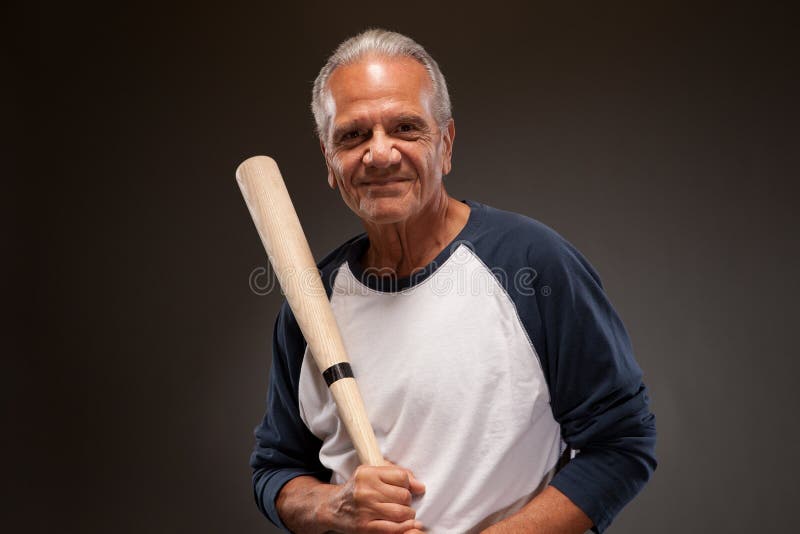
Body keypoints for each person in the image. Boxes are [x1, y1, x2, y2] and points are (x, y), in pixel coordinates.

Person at [250, 29, 656, 534]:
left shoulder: (533, 265)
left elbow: (622, 445)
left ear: (445, 143)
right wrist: (336, 507)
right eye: (352, 135)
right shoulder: (309, 302)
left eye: (405, 127)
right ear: (329, 162)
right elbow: (276, 471)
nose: (380, 154)